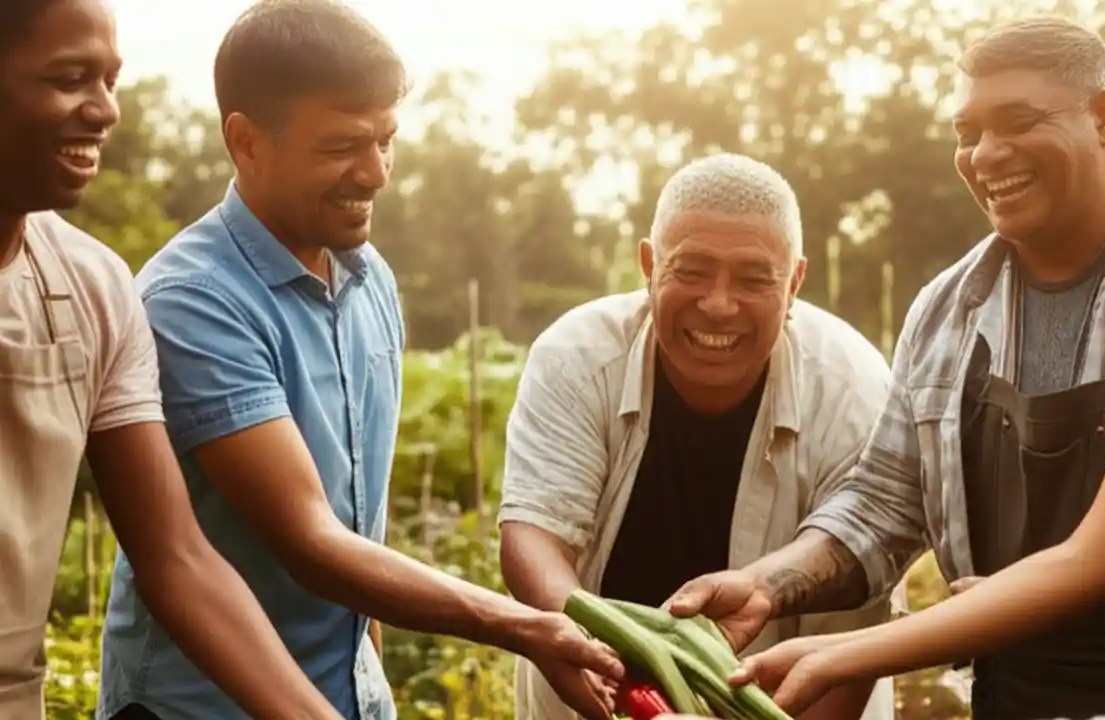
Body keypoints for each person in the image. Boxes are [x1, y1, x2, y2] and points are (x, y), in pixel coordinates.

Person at [664, 15, 1105, 720]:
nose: (985, 154)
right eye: (967, 133)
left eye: (1016, 121)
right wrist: (766, 584)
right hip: (1016, 693)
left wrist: (846, 654)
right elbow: (885, 502)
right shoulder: (946, 310)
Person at [95, 2, 623, 719]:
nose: (374, 173)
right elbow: (309, 542)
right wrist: (523, 625)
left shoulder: (369, 279)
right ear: (246, 142)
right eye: (342, 145)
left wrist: (372, 688)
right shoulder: (194, 300)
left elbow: (358, 522)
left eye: (386, 140)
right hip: (203, 706)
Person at [0, 1, 346, 719]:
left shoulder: (93, 287)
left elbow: (177, 558)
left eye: (109, 82)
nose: (103, 111)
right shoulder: (189, 291)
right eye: (68, 78)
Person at [497, 153, 897, 720]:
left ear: (796, 283)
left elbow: (852, 630)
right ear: (648, 264)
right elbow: (534, 534)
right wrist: (579, 639)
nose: (718, 304)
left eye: (754, 279)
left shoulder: (854, 393)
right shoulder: (577, 357)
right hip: (598, 698)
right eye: (691, 270)